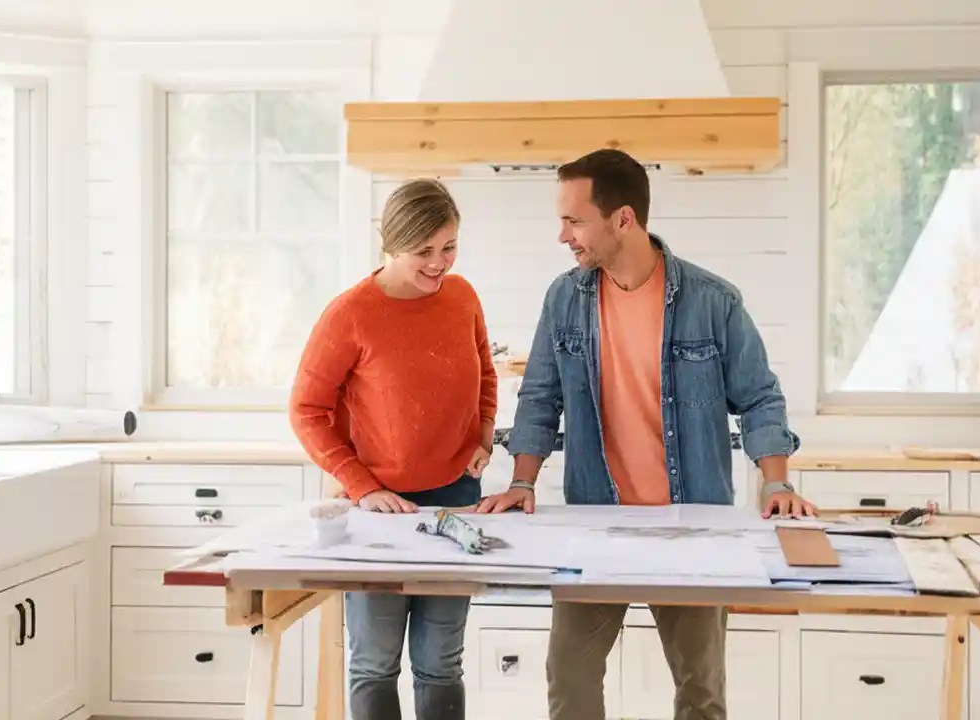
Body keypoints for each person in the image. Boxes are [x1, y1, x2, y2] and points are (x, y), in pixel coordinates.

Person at [476, 148, 816, 720]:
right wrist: (522, 481)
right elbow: (540, 396)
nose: (563, 235)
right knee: (570, 679)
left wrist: (775, 482)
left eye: (574, 220)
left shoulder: (712, 302)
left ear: (623, 219)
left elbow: (759, 398)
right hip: (595, 522)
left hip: (692, 525)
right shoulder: (564, 299)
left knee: (701, 691)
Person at [289, 178, 497, 720]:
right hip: (379, 511)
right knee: (375, 663)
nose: (439, 264)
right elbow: (307, 411)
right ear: (391, 243)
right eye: (423, 251)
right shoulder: (351, 313)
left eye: (449, 247)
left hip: (456, 501)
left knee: (441, 663)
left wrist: (483, 433)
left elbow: (485, 373)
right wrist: (365, 486)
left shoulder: (463, 297)